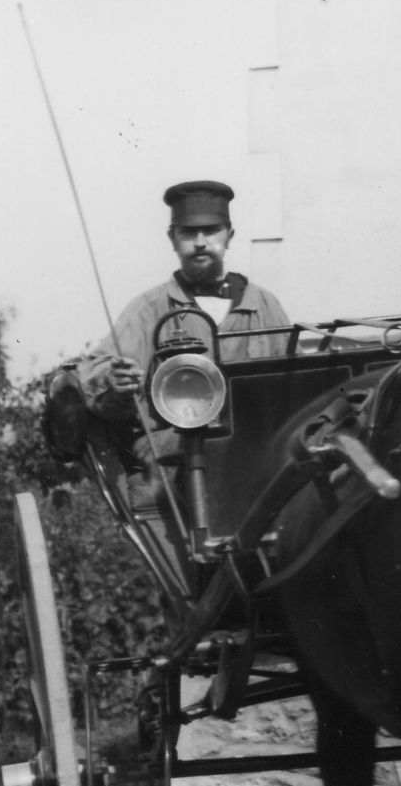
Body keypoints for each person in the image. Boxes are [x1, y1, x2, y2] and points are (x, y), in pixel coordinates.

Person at [76, 179, 291, 593]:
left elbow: (291, 374)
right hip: (176, 452)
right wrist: (114, 380)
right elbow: (96, 370)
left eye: (210, 230)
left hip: (258, 450)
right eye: (189, 232)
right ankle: (209, 587)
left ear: (229, 234)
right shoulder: (150, 308)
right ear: (172, 238)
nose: (200, 242)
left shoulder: (264, 306)